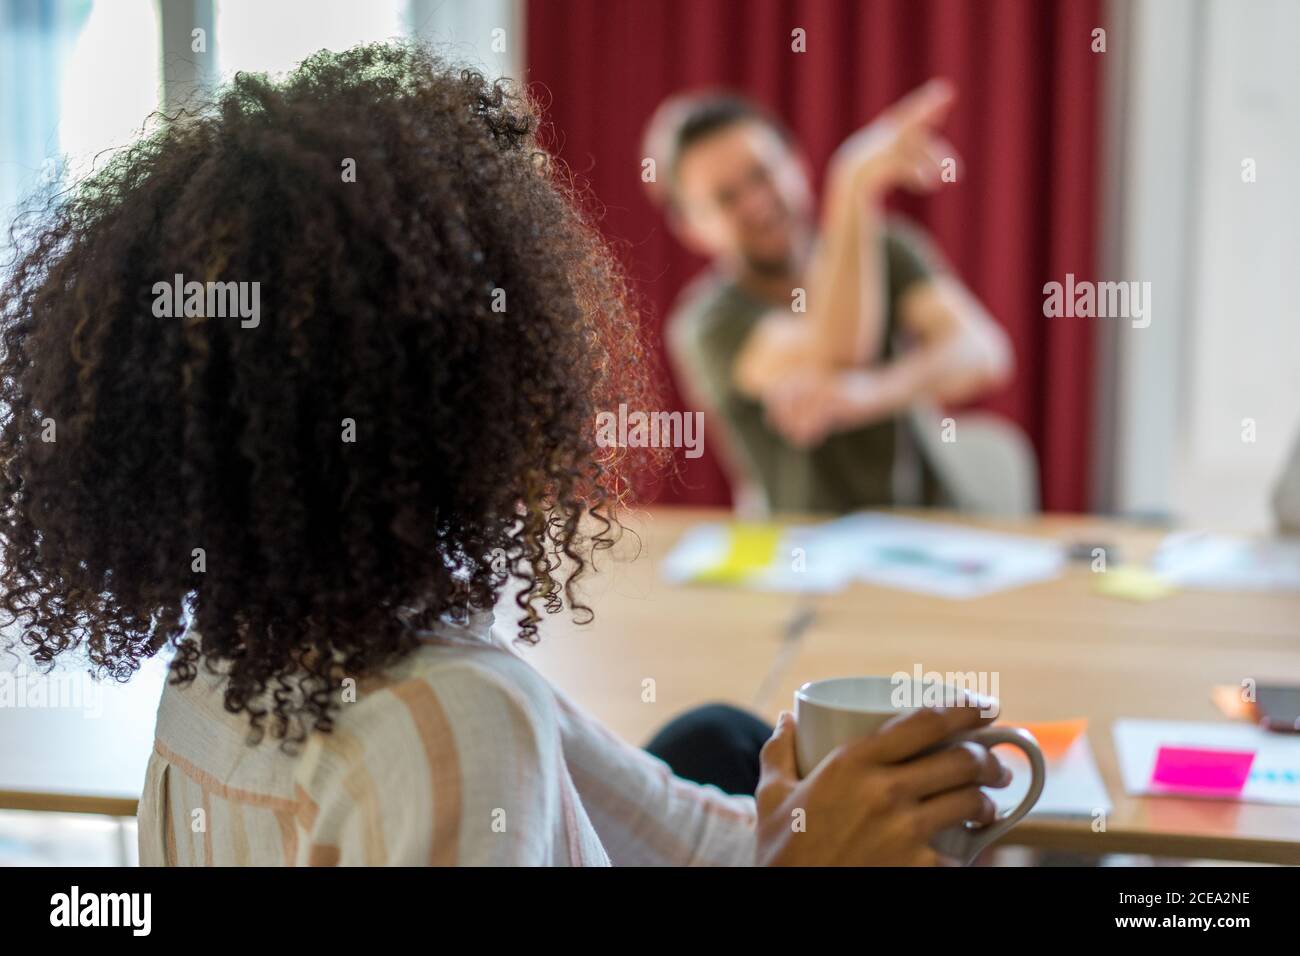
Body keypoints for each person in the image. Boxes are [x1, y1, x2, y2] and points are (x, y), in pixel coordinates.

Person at [0, 43, 1009, 866]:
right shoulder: (454, 717)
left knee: (713, 736)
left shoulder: (212, 664)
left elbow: (692, 831)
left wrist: (795, 837)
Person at [644, 82, 1013, 514]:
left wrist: (870, 394)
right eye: (726, 198)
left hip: (932, 534)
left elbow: (984, 353)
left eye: (762, 173)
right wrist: (853, 183)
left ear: (796, 164)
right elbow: (839, 351)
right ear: (691, 228)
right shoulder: (707, 323)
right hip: (806, 556)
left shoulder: (887, 249)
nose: (757, 202)